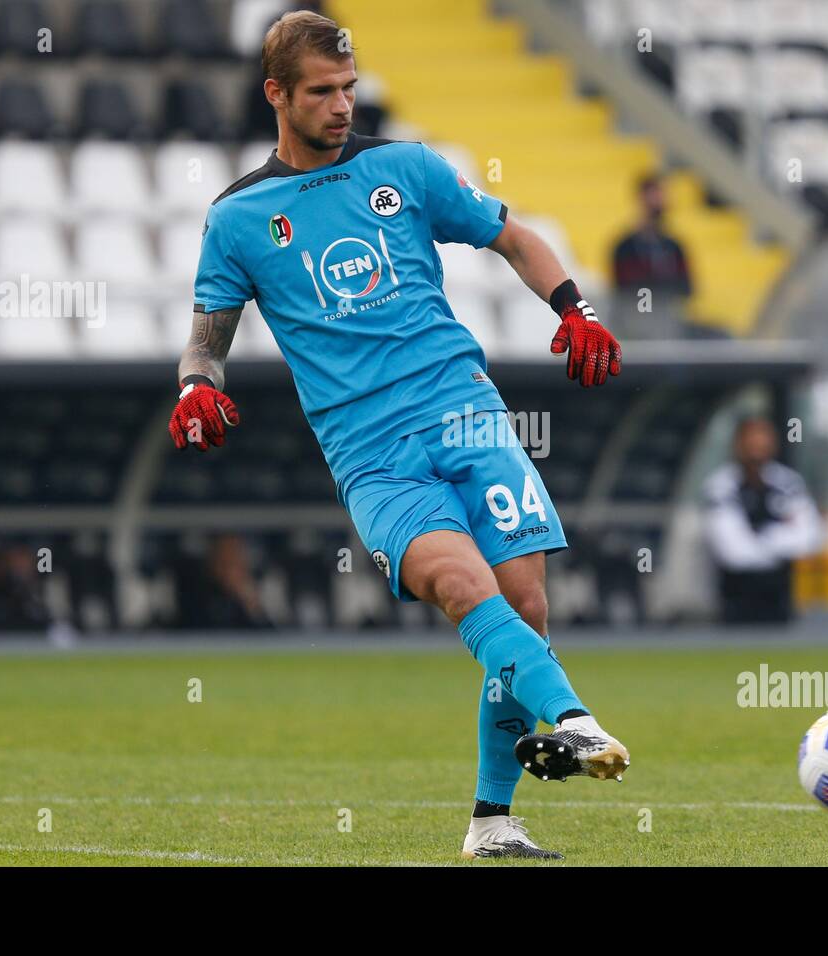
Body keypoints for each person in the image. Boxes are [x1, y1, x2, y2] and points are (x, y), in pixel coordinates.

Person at [166, 10, 628, 861]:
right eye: (321, 93)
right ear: (276, 95)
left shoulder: (405, 168)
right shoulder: (239, 217)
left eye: (348, 89)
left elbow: (513, 236)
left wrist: (575, 309)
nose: (341, 106)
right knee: (461, 586)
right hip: (372, 454)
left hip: (466, 409)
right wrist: (197, 384)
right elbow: (208, 337)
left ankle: (492, 821)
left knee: (524, 602)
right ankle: (573, 719)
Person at [703, 417, 824, 624]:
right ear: (738, 444)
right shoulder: (721, 485)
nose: (757, 446)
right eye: (750, 440)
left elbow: (810, 537)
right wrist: (779, 535)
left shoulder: (789, 483)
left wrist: (760, 537)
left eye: (762, 438)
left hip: (780, 601)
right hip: (736, 601)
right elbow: (733, 551)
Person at [610, 173, 692, 337]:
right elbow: (623, 288)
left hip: (667, 320)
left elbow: (687, 287)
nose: (660, 201)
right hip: (634, 322)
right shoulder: (625, 247)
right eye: (655, 195)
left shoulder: (674, 247)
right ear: (641, 199)